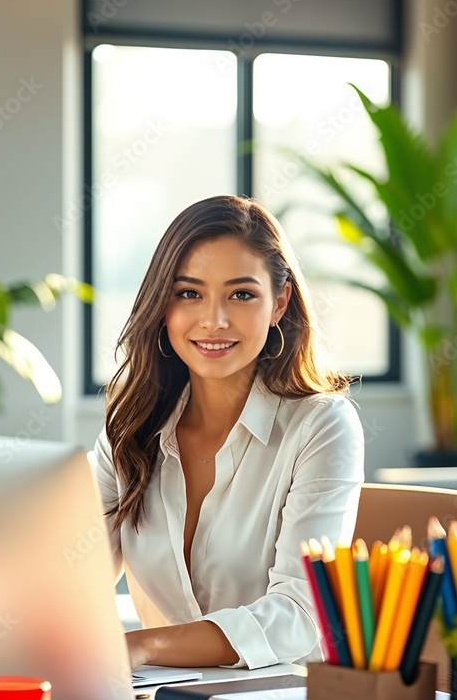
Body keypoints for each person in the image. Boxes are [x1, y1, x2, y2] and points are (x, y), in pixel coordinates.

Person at [91, 195, 364, 670]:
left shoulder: (321, 426)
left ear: (279, 303)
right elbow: (73, 576)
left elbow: (301, 614)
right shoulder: (130, 424)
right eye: (188, 293)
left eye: (241, 294)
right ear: (163, 305)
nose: (213, 320)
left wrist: (144, 645)